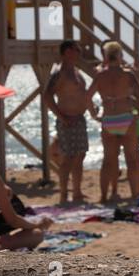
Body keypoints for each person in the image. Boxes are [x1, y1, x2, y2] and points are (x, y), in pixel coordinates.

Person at [90, 41, 139, 202]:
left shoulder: (100, 75)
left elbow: (87, 96)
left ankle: (103, 196)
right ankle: (135, 194)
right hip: (126, 117)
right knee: (131, 158)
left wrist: (93, 113)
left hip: (109, 118)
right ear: (120, 55)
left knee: (108, 160)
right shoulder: (128, 74)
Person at [45, 40, 92, 205]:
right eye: (75, 49)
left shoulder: (77, 71)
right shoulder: (60, 72)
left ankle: (77, 192)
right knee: (68, 158)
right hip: (67, 119)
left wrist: (91, 110)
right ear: (66, 52)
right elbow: (47, 96)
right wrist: (61, 116)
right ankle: (64, 194)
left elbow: (83, 94)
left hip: (79, 119)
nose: (79, 52)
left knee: (80, 155)